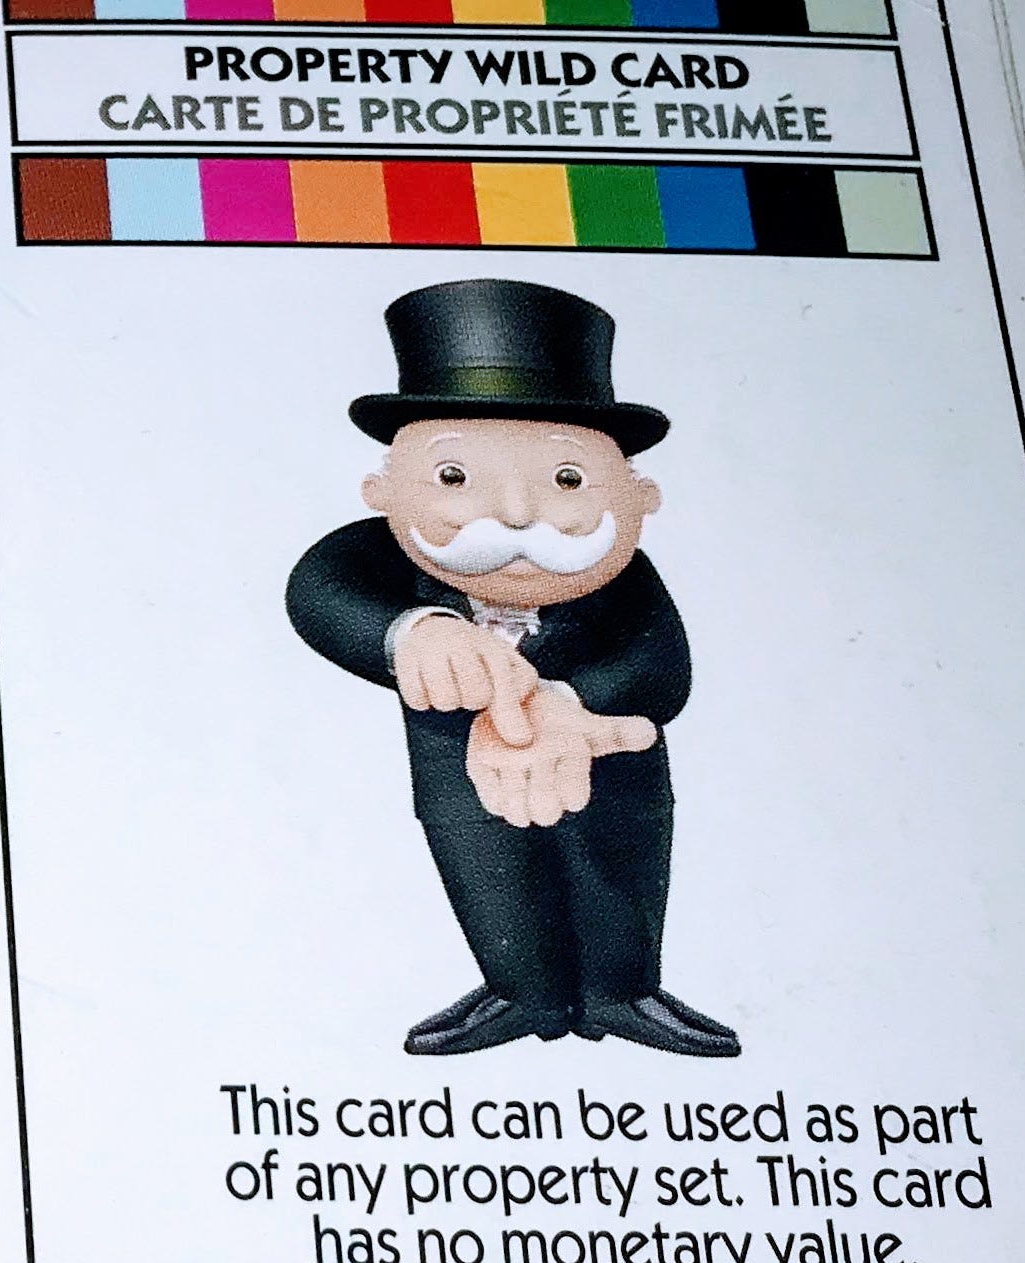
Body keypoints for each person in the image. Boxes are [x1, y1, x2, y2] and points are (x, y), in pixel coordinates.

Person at [284, 278, 738, 1059]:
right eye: (454, 478)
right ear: (381, 493)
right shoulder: (377, 559)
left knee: (613, 878)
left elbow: (661, 666)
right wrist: (411, 632)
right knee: (489, 874)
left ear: (639, 498)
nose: (516, 515)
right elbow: (318, 592)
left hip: (611, 778)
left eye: (566, 480)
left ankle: (623, 991)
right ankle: (521, 990)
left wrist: (571, 706)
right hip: (457, 773)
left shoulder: (627, 582)